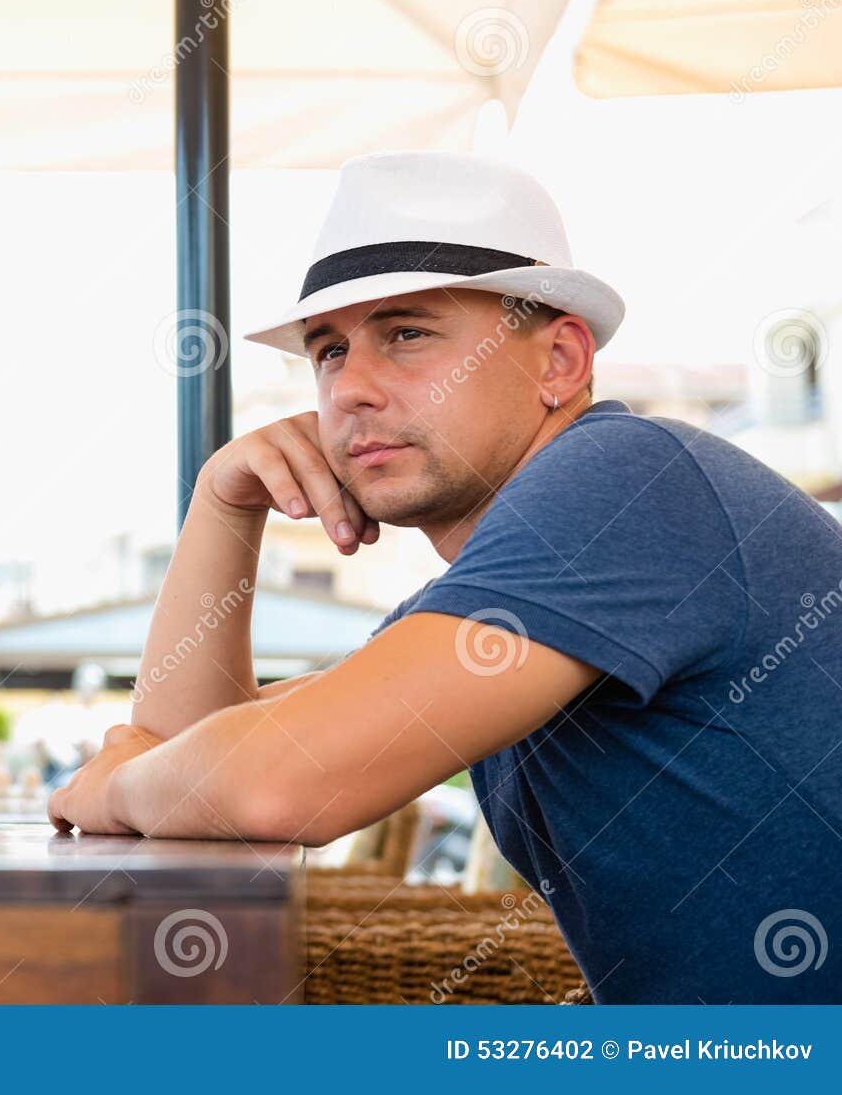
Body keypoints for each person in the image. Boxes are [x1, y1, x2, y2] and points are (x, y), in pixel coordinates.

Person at [47, 151, 842, 1003]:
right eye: (327, 352)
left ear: (561, 361)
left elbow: (271, 786)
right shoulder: (488, 602)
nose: (349, 387)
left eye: (407, 333)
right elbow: (200, 773)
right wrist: (223, 504)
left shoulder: (627, 481)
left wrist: (113, 785)